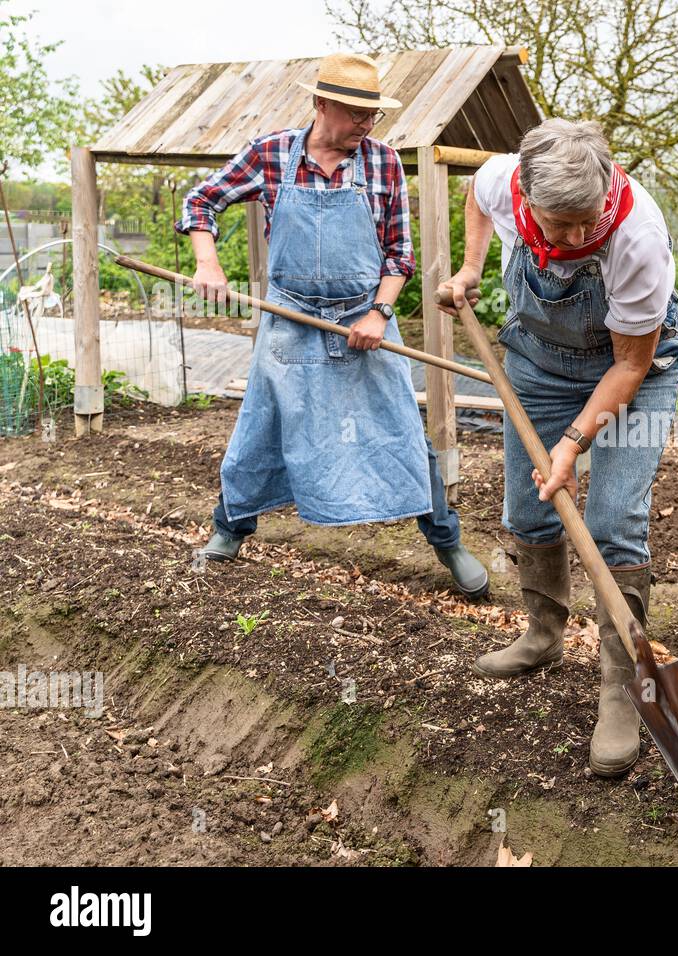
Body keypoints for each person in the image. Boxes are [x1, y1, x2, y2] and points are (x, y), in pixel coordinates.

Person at [176, 52, 488, 598]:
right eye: (357, 114)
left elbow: (399, 256)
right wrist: (208, 261)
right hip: (290, 319)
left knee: (401, 432)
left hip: (363, 321)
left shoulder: (384, 163)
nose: (368, 125)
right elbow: (201, 200)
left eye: (374, 116)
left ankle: (448, 541)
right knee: (263, 425)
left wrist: (378, 313)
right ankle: (229, 528)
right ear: (322, 104)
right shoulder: (270, 154)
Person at [441, 118, 678, 776]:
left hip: (636, 372)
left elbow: (629, 366)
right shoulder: (503, 181)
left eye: (589, 221)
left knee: (613, 523)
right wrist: (470, 266)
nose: (579, 237)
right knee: (529, 513)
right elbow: (474, 189)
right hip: (540, 365)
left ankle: (619, 689)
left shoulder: (636, 236)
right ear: (525, 196)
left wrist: (574, 443)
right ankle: (545, 635)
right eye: (562, 224)